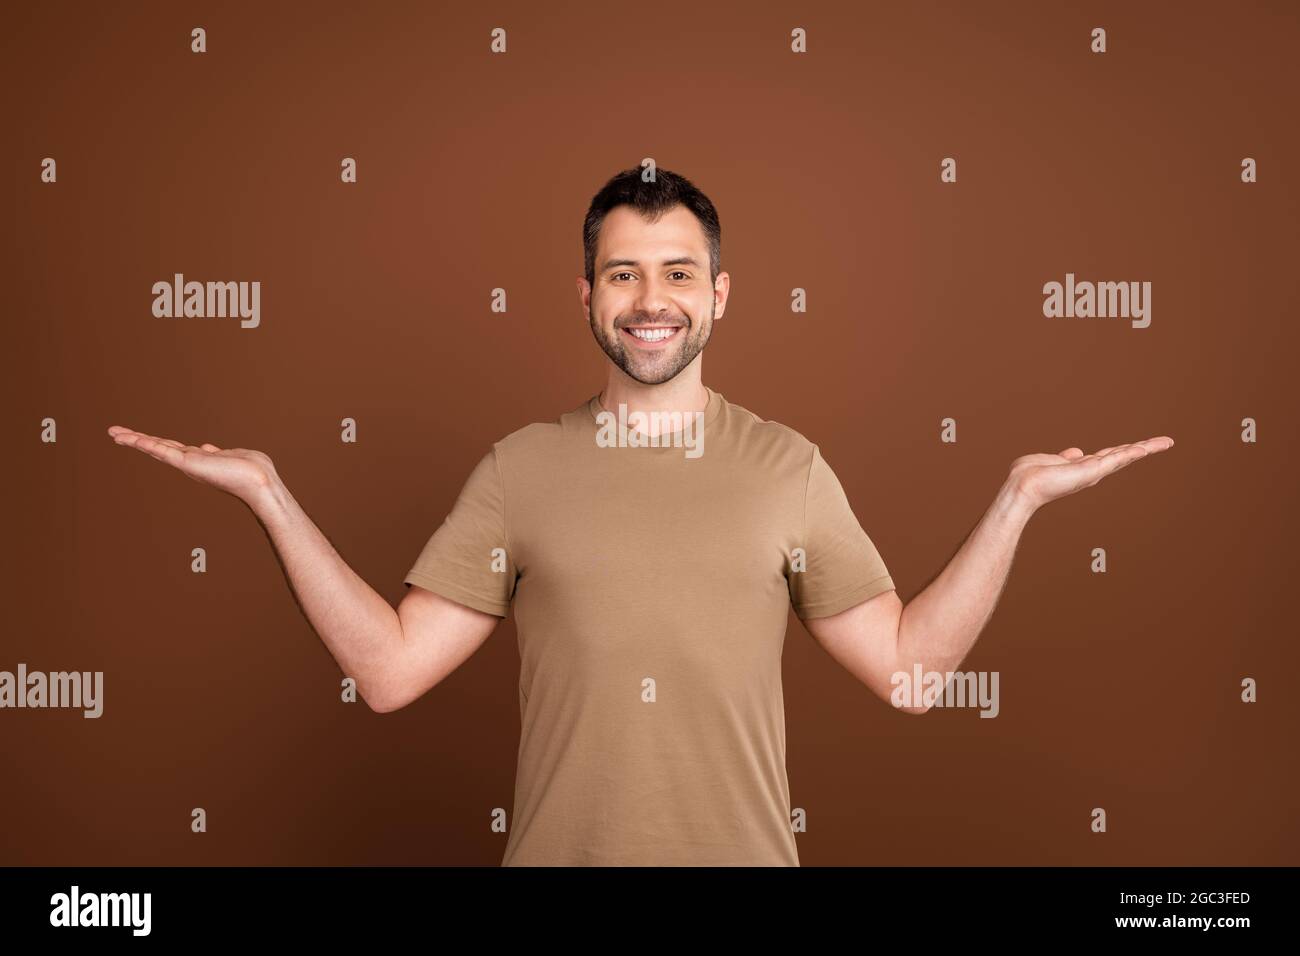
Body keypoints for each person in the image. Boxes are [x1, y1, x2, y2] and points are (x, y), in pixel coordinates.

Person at [108, 166, 1173, 866]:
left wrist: (1018, 501)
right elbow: (387, 674)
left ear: (719, 295)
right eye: (622, 273)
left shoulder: (786, 468)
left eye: (676, 272)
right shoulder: (516, 470)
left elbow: (911, 674)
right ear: (585, 296)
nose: (649, 298)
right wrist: (268, 496)